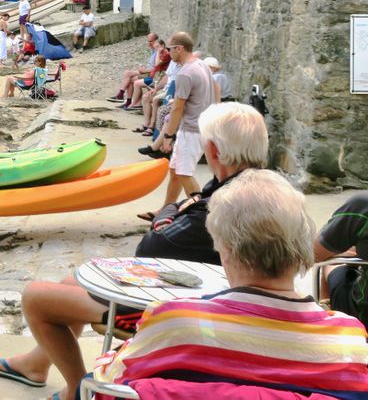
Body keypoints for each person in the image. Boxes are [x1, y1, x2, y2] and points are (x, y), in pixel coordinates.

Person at [0, 102, 271, 395]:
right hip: (218, 300)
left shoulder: (222, 205)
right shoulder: (260, 187)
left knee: (36, 298)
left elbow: (152, 244)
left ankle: (77, 388)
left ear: (213, 150)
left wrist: (172, 210)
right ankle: (34, 364)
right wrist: (183, 207)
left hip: (176, 310)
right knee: (71, 283)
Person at [93, 169, 368, 398]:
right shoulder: (350, 344)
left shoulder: (173, 323)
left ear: (223, 248)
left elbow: (108, 385)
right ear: (302, 247)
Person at [144, 32, 213, 221]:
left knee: (184, 172)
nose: (168, 52)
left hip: (191, 130)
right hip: (201, 125)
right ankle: (165, 210)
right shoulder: (202, 66)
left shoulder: (185, 73)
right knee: (175, 171)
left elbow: (177, 109)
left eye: (170, 49)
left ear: (179, 48)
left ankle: (204, 215)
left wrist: (167, 137)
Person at [315, 192, 368, 328]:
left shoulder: (362, 206)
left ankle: (326, 312)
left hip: (362, 316)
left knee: (330, 262)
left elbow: (311, 254)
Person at [106, 33, 160, 103]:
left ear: (156, 41)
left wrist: (144, 70)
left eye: (151, 41)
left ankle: (124, 97)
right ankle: (126, 98)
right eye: (148, 41)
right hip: (148, 72)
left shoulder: (159, 52)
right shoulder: (154, 50)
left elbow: (157, 68)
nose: (149, 43)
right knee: (128, 74)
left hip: (152, 74)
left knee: (130, 77)